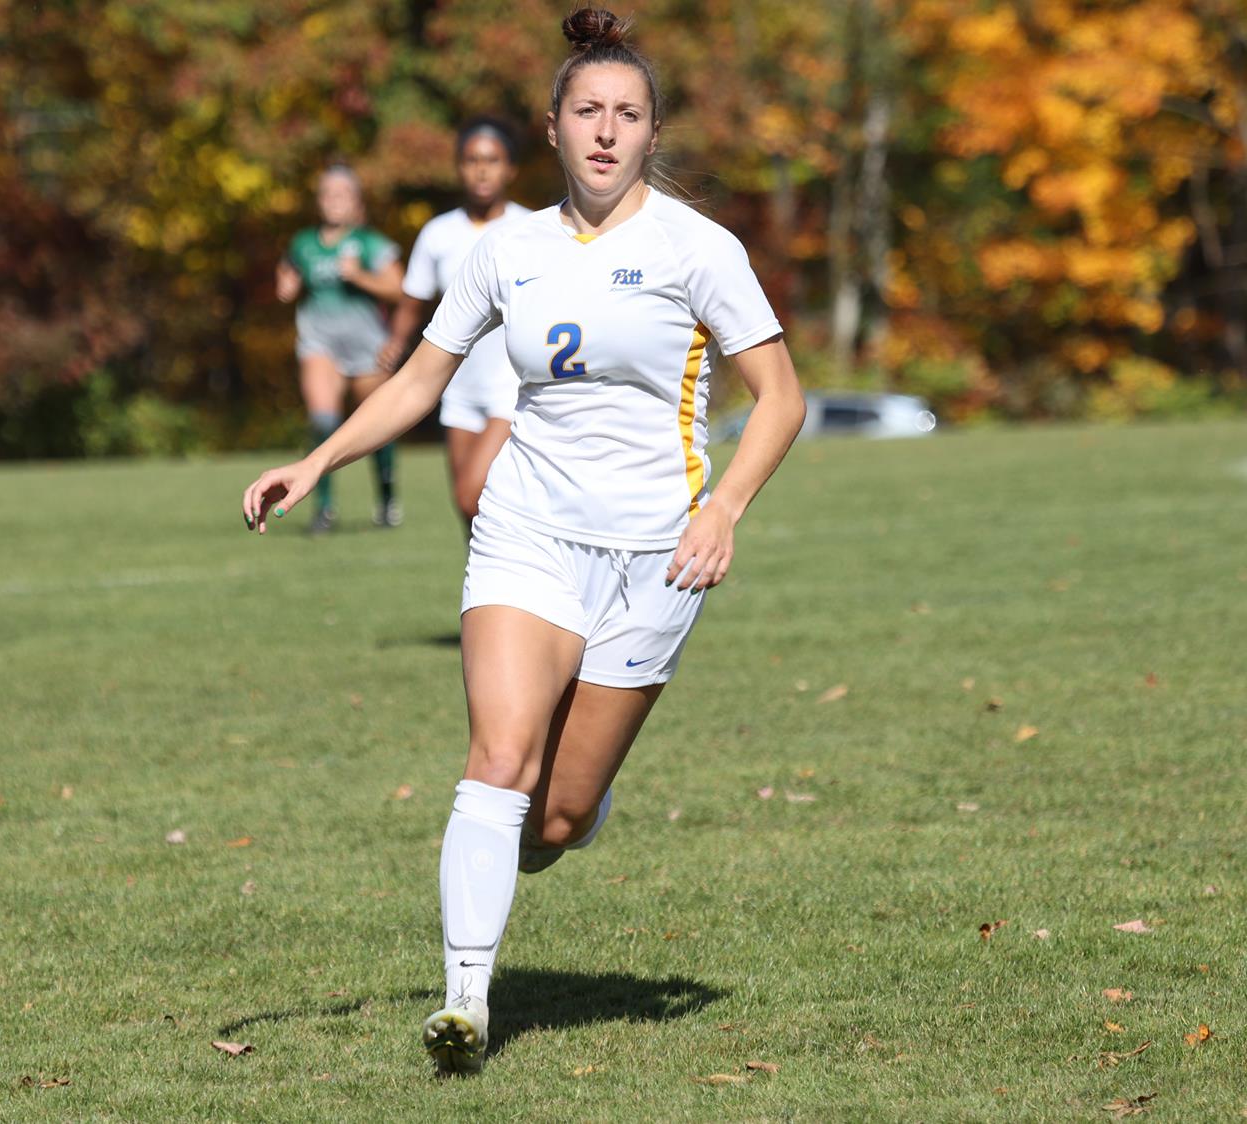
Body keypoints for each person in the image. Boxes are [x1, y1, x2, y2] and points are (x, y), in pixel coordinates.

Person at [241, 7, 807, 1076]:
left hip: (656, 555)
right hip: (527, 533)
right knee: (496, 760)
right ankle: (465, 1001)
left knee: (552, 814)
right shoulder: (505, 252)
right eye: (586, 110)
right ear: (550, 128)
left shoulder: (699, 249)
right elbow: (417, 376)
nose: (605, 131)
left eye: (627, 113)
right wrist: (315, 462)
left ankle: (568, 817)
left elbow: (779, 396)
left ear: (651, 131)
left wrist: (722, 506)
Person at [381, 118, 531, 532]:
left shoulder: (532, 229)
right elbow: (413, 300)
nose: (482, 169)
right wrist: (396, 342)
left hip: (512, 389)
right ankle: (486, 594)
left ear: (510, 168)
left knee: (473, 496)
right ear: (459, 167)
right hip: (458, 390)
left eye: (492, 160)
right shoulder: (437, 233)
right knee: (468, 514)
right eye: (471, 160)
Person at [276, 164, 408, 533]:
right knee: (323, 421)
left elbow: (400, 289)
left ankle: (386, 499)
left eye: (342, 194)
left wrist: (359, 276)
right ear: (319, 201)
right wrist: (286, 284)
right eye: (327, 194)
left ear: (356, 202)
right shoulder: (303, 242)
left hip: (369, 348)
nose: (334, 200)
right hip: (320, 344)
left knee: (378, 428)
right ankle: (324, 507)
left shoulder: (369, 243)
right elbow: (287, 269)